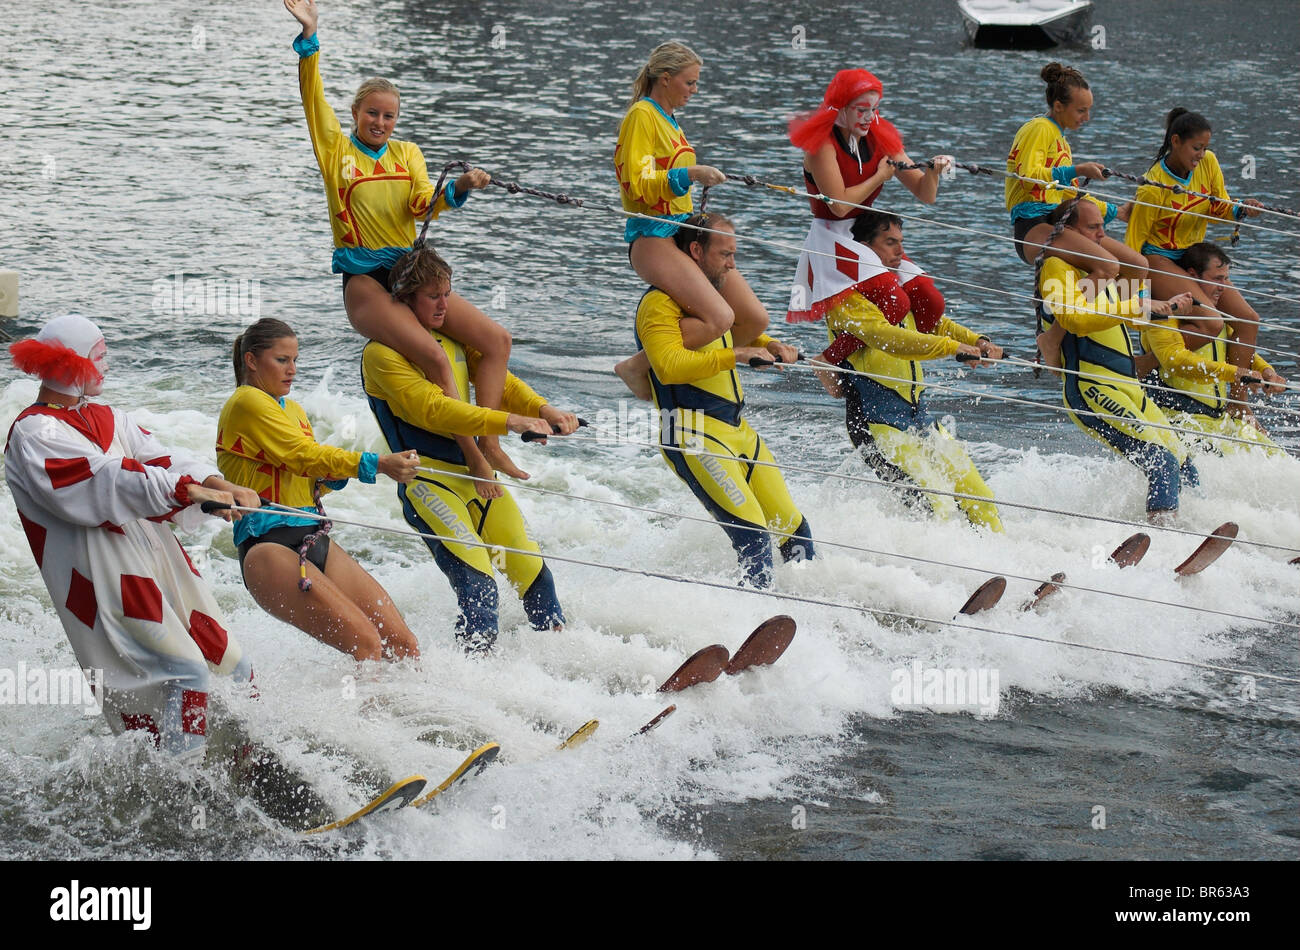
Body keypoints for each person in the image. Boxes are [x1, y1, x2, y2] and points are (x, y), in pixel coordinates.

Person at [283, 0, 525, 490]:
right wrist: (310, 37)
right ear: (356, 113)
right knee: (435, 358)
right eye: (372, 113)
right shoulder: (336, 149)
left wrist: (462, 187)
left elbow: (422, 205)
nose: (381, 122)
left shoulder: (407, 152)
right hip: (365, 282)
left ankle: (494, 444)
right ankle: (475, 457)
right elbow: (312, 100)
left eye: (389, 116)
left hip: (409, 275)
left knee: (497, 340)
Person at [5, 316, 257, 760]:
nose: (105, 366)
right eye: (98, 357)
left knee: (232, 664)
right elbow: (102, 480)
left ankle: (254, 766)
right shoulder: (34, 433)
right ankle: (187, 792)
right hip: (104, 582)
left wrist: (217, 483)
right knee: (185, 672)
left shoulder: (107, 416)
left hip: (157, 561)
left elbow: (162, 456)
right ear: (69, 365)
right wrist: (185, 491)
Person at [360, 246, 576, 651]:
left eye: (447, 293)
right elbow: (434, 409)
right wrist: (509, 422)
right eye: (432, 297)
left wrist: (543, 409)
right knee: (480, 589)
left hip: (480, 477)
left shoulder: (452, 340)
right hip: (430, 482)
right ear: (405, 300)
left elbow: (503, 384)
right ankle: (472, 688)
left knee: (535, 576)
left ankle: (559, 668)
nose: (445, 305)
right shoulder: (381, 354)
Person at [217, 318, 423, 662]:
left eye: (295, 360)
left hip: (311, 536)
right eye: (282, 360)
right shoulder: (246, 402)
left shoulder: (293, 410)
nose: (292, 370)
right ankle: (359, 718)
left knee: (403, 646)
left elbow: (305, 476)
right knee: (367, 645)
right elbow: (302, 456)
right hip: (268, 548)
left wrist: (331, 479)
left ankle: (409, 714)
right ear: (251, 361)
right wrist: (377, 464)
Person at [635, 212, 813, 588]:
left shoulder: (713, 303)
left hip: (738, 432)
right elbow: (668, 366)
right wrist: (739, 356)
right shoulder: (658, 305)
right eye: (725, 255)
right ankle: (749, 617)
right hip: (692, 434)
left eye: (735, 255)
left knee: (795, 532)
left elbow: (730, 339)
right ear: (696, 251)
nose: (733, 265)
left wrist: (767, 344)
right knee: (754, 537)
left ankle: (807, 609)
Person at [816, 212, 1005, 532]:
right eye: (890, 243)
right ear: (863, 248)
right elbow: (886, 338)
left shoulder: (897, 292)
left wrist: (976, 341)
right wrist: (949, 348)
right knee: (937, 505)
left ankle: (1004, 568)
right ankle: (941, 576)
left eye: (901, 243)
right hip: (876, 423)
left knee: (980, 497)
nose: (899, 252)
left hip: (919, 418)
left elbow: (936, 325)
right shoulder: (845, 300)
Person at [612, 41, 770, 399]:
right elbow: (637, 185)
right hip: (653, 236)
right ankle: (637, 365)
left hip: (684, 232)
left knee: (754, 318)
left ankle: (691, 367)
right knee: (720, 317)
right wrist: (691, 174)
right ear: (665, 79)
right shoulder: (642, 116)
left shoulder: (669, 120)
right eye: (690, 82)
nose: (694, 91)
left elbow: (668, 175)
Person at [1036, 199, 1199, 523]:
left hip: (1129, 388)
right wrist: (1143, 307)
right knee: (1160, 460)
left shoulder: (1102, 271)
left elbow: (1132, 314)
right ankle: (1164, 536)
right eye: (1093, 228)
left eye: (1103, 227)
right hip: (1092, 387)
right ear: (1070, 233)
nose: (1101, 235)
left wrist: (1167, 307)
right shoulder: (1057, 268)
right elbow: (1077, 320)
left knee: (1184, 462)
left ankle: (1196, 527)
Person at [1125, 107, 1268, 427]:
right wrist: (1133, 297)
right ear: (1175, 142)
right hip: (1159, 258)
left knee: (1248, 319)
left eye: (1205, 148)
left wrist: (1242, 210)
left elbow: (1218, 205)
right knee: (1211, 320)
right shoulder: (1153, 185)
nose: (1202, 155)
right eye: (1196, 148)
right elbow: (1133, 243)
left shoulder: (1210, 164)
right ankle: (1147, 363)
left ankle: (1237, 403)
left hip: (1192, 256)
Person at [786, 69, 953, 334]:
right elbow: (838, 205)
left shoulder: (880, 135)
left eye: (874, 109)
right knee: (895, 302)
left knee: (930, 300)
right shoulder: (821, 145)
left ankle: (902, 351)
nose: (869, 117)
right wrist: (879, 177)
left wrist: (934, 171)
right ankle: (830, 360)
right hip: (831, 238)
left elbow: (925, 194)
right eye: (861, 109)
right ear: (840, 107)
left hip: (865, 232)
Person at [1006, 62, 1148, 370]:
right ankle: (1055, 334)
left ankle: (1111, 321)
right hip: (1034, 226)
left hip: (1059, 219)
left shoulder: (1060, 138)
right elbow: (1029, 177)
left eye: (1088, 110)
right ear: (1058, 106)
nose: (1086, 118)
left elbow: (1070, 195)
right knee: (1108, 266)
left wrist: (1116, 211)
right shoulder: (1039, 129)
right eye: (1080, 111)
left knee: (1137, 266)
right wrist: (1078, 169)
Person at [1138, 243, 1286, 455]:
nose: (1223, 287)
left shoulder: (1217, 314)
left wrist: (1266, 371)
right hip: (1180, 418)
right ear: (1192, 276)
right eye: (1217, 279)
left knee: (1280, 461)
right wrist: (1235, 374)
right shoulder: (1164, 312)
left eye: (1226, 279)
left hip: (1219, 419)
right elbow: (1175, 361)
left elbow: (1230, 349)